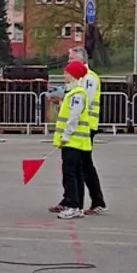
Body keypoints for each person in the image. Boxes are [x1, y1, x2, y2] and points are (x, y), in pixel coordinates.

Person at [51, 47, 107, 215]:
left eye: (71, 60)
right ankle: (71, 200)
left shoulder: (89, 78)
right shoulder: (77, 81)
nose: (68, 63)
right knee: (76, 166)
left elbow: (84, 102)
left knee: (82, 166)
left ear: (81, 61)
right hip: (78, 127)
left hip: (84, 127)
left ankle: (88, 201)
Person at [52, 61, 93, 220]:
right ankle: (77, 206)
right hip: (75, 141)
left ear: (74, 75)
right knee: (76, 174)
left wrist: (65, 136)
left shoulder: (77, 94)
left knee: (70, 174)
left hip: (73, 141)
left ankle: (73, 205)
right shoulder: (73, 93)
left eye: (67, 73)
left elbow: (73, 117)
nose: (64, 75)